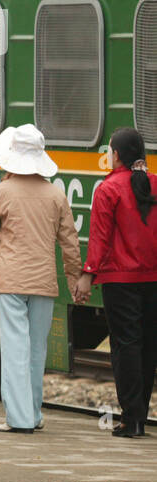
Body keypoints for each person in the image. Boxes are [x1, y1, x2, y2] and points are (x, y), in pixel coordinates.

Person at [0, 124, 82, 433]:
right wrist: (74, 279)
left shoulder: (2, 192)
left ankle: (19, 420)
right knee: (36, 350)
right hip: (44, 283)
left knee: (15, 348)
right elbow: (70, 242)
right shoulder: (56, 195)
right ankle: (33, 414)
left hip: (12, 282)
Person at [73, 127, 157, 438]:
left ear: (116, 155)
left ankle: (130, 420)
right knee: (148, 347)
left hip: (119, 281)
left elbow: (100, 239)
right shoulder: (154, 184)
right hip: (153, 280)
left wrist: (87, 274)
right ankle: (141, 419)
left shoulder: (108, 190)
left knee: (126, 346)